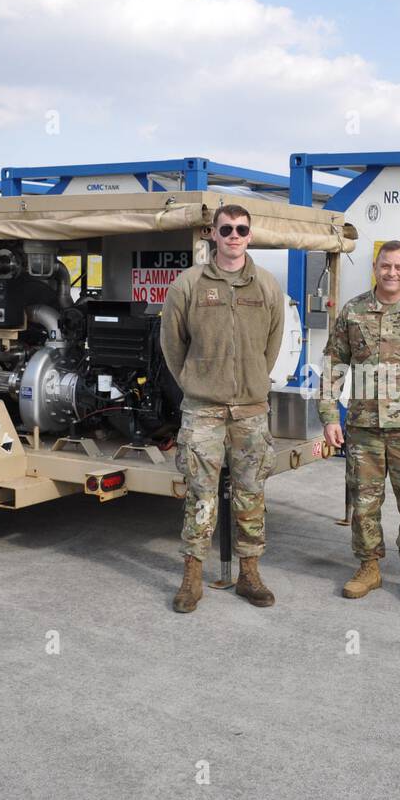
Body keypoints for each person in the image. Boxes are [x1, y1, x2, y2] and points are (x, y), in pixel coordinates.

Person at [160, 204, 284, 613]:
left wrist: (251, 381)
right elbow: (172, 345)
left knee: (251, 493)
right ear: (212, 233)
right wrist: (197, 383)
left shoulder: (266, 285)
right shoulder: (188, 285)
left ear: (250, 235)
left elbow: (272, 343)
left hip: (250, 410)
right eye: (226, 228)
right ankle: (191, 577)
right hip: (203, 410)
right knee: (200, 495)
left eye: (241, 229)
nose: (234, 235)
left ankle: (249, 574)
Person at [319, 241, 400, 605]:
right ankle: (368, 567)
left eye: (399, 267)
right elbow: (334, 363)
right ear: (375, 268)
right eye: (385, 266)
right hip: (364, 426)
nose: (391, 273)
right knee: (365, 502)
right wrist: (330, 415)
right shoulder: (354, 310)